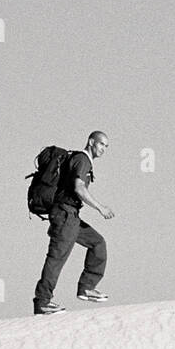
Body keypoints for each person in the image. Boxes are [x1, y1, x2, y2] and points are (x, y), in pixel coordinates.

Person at [33, 131, 115, 314]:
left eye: (106, 146)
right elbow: (79, 187)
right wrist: (100, 207)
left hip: (70, 216)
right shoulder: (82, 159)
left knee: (97, 242)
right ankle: (43, 301)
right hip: (64, 215)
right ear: (91, 142)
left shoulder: (82, 161)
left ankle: (86, 287)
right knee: (57, 257)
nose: (103, 149)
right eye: (101, 144)